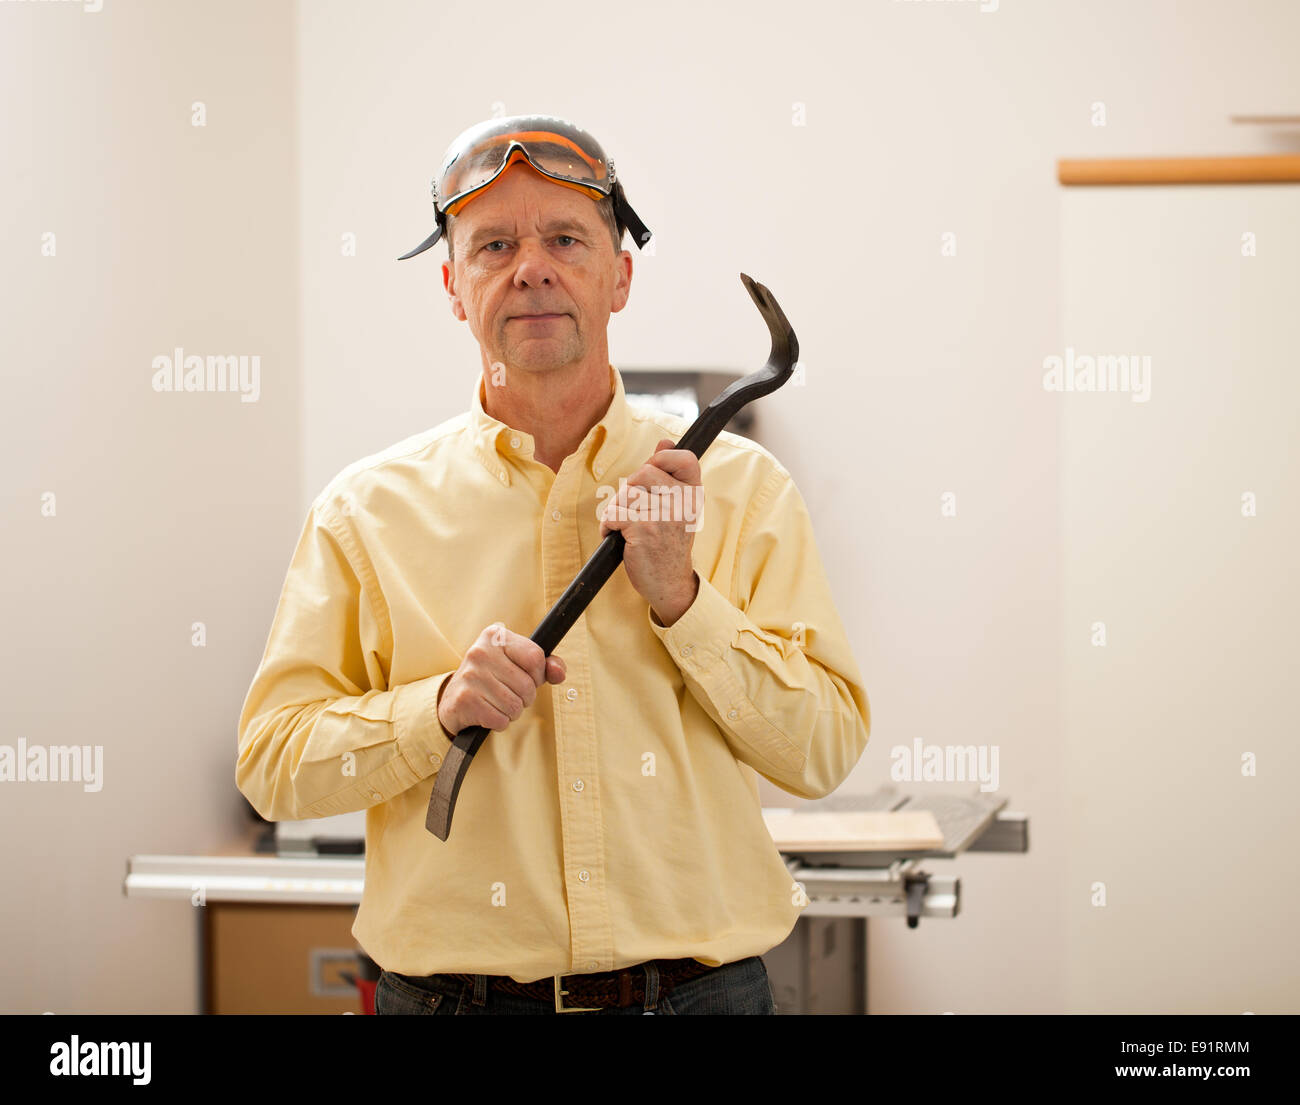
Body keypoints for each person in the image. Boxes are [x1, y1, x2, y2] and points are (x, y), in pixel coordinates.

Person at [236, 115, 871, 1015]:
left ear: (620, 275)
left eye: (565, 238)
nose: (531, 265)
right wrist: (434, 711)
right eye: (495, 244)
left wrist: (683, 602)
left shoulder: (742, 489)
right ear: (455, 287)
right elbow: (272, 764)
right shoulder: (365, 514)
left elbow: (823, 751)